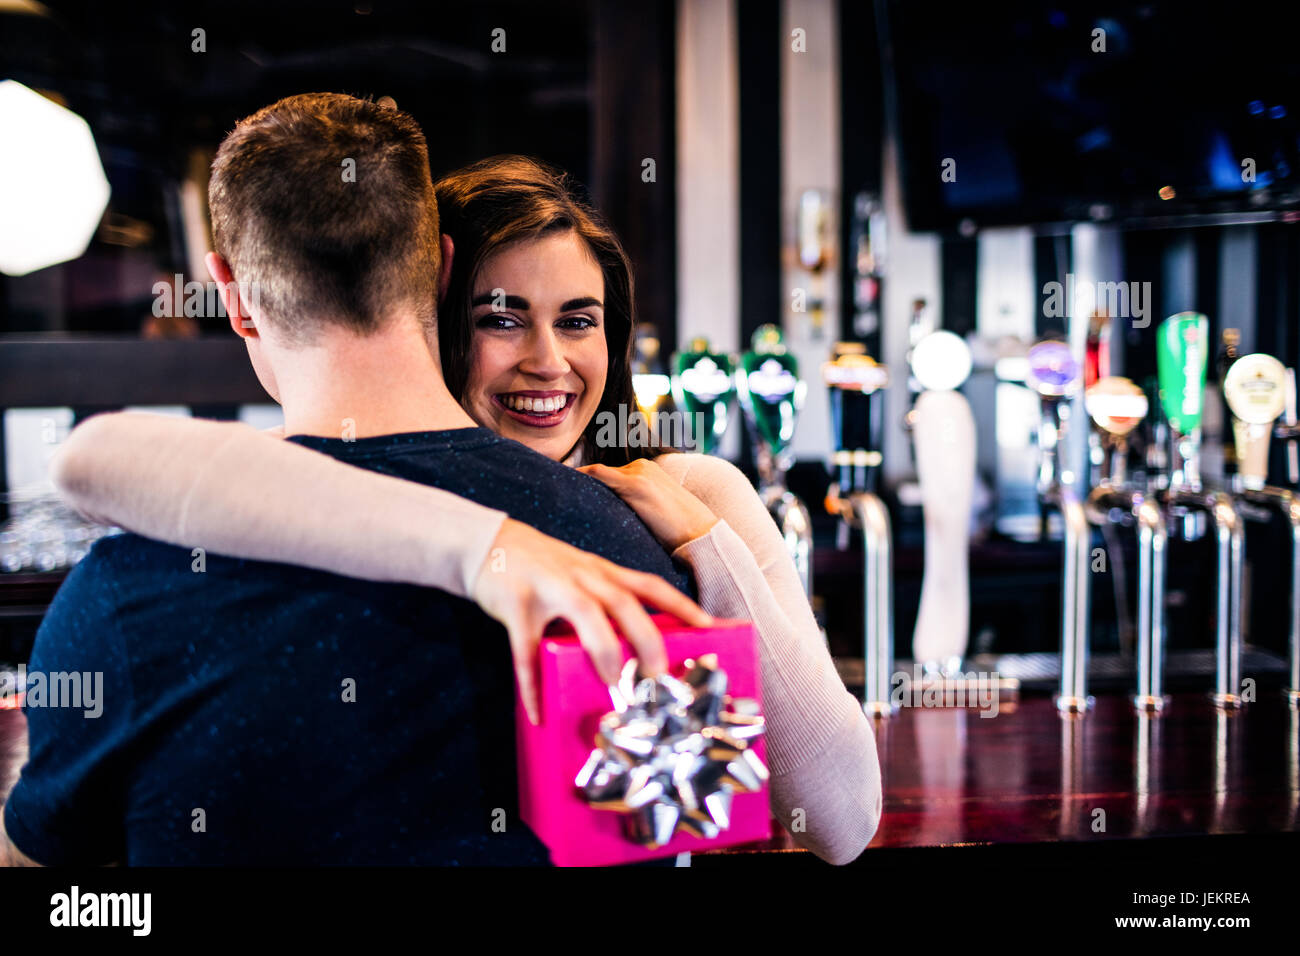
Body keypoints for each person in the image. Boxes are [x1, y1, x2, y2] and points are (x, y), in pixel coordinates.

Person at [44, 151, 884, 865]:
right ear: (432, 312)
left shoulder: (689, 495)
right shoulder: (348, 490)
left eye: (579, 321)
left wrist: (707, 543)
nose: (548, 362)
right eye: (502, 319)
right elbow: (96, 462)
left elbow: (842, 820)